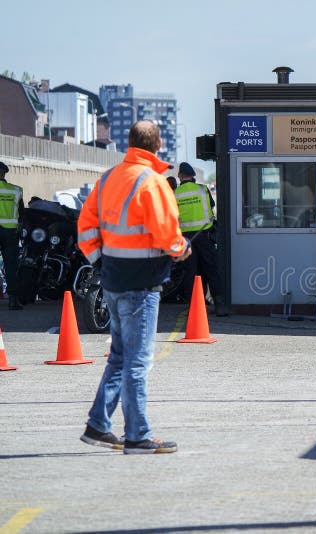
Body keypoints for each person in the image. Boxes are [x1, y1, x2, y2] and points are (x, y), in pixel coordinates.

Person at [77, 120, 191, 454]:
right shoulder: (153, 182)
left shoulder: (109, 177)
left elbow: (85, 225)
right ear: (157, 146)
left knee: (120, 357)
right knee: (137, 362)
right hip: (142, 282)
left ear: (130, 144)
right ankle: (138, 435)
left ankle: (98, 425)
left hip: (112, 277)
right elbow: (166, 234)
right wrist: (181, 250)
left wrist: (101, 261)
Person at [174, 162, 228, 316]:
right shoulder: (203, 189)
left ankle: (195, 307)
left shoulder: (175, 193)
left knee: (190, 272)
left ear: (180, 176)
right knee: (211, 269)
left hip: (187, 239)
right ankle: (220, 305)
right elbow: (211, 206)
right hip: (204, 235)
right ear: (193, 176)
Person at [0, 161, 24, 310]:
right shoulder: (16, 191)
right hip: (10, 232)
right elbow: (22, 214)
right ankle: (13, 300)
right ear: (4, 173)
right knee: (11, 266)